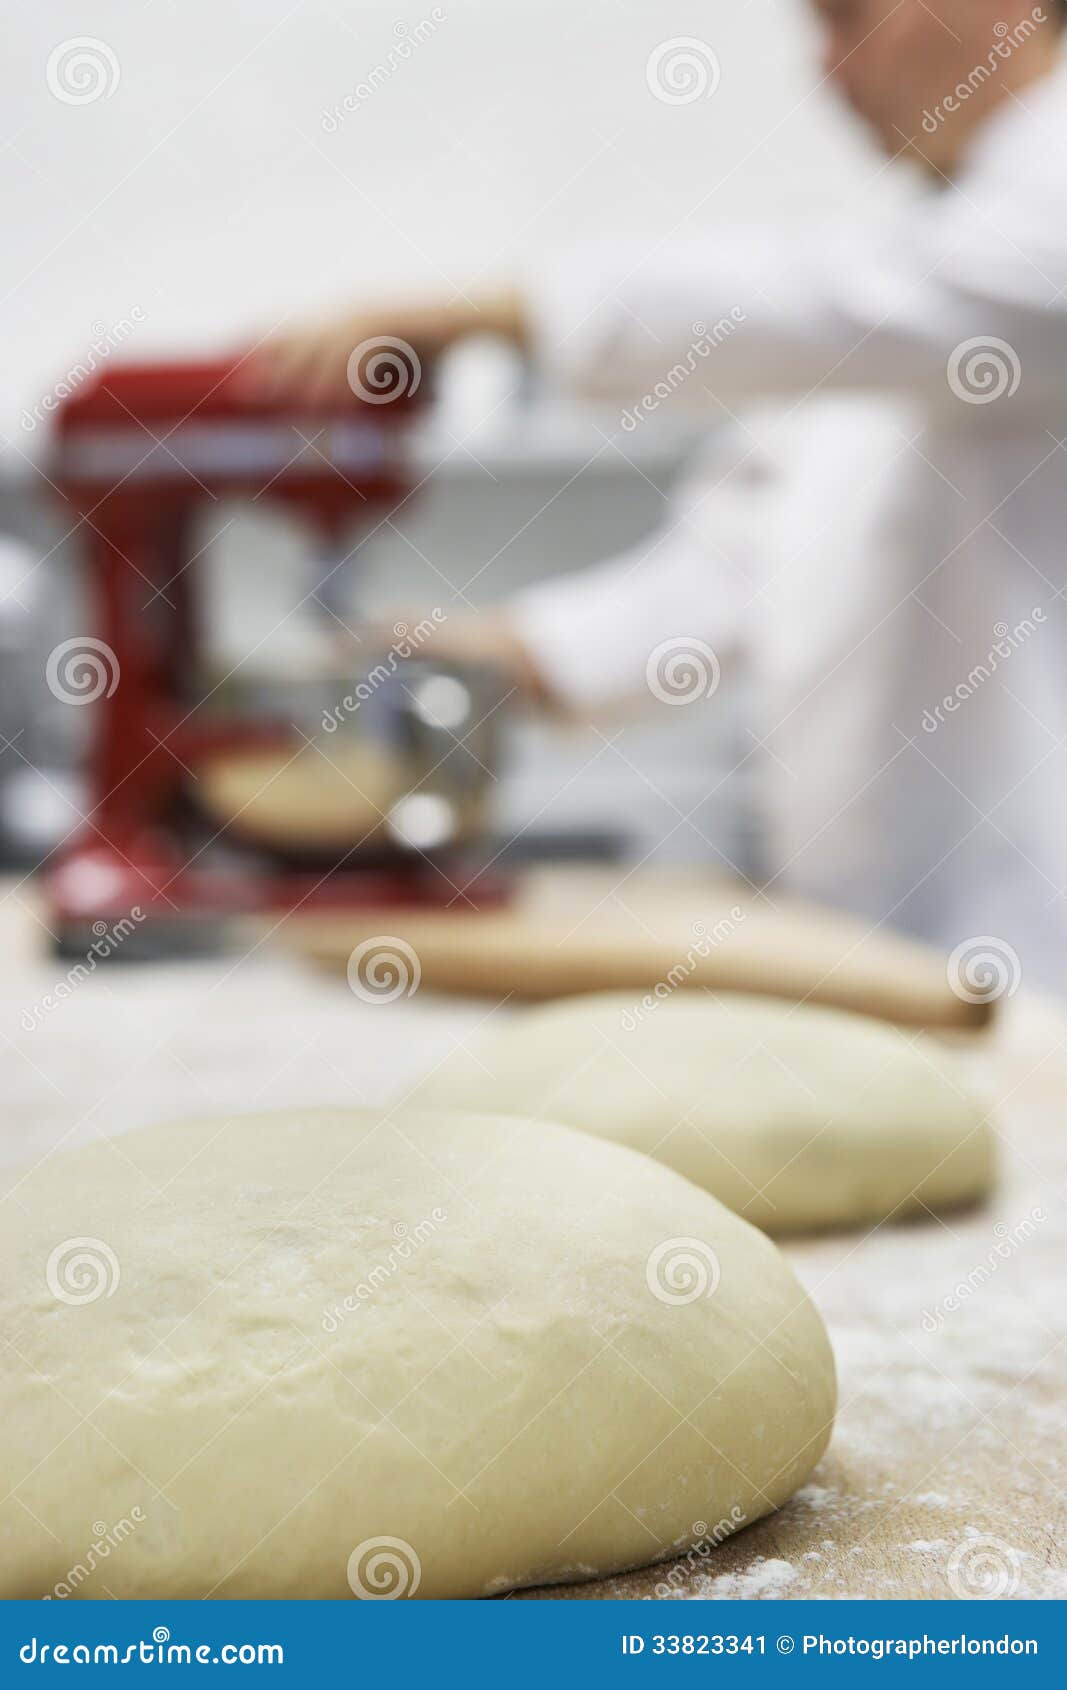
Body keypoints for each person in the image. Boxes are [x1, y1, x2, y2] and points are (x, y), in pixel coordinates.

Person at [254, 0, 1067, 984]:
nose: (827, 71)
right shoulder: (920, 273)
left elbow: (840, 306)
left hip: (1036, 944)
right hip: (895, 940)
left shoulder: (994, 249)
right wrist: (517, 653)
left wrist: (488, 311)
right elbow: (745, 556)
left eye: (847, 19)